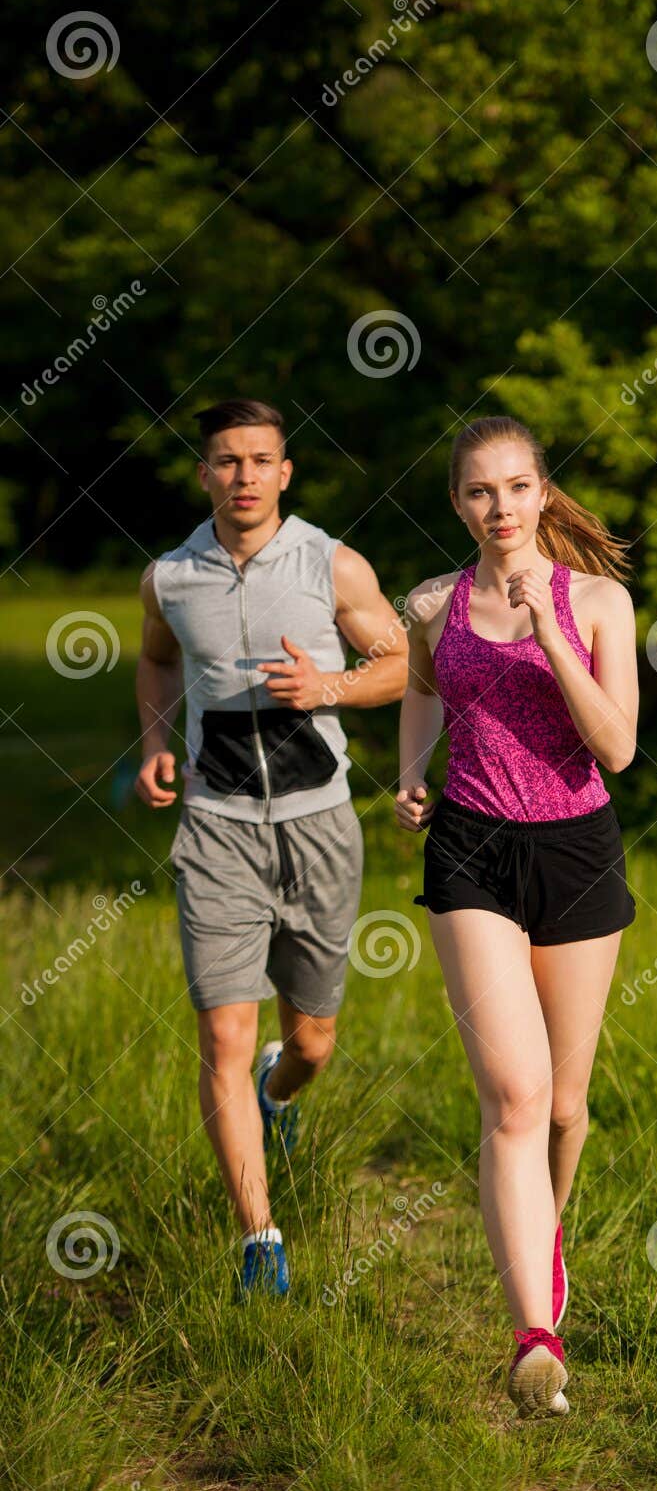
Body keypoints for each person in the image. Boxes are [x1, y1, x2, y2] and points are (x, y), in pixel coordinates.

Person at [136, 398, 408, 1298]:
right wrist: (154, 741)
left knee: (314, 1041)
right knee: (221, 1031)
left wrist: (326, 683)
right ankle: (260, 1240)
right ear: (204, 473)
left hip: (318, 822)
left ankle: (279, 1093)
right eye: (226, 461)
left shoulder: (331, 564)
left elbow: (404, 663)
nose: (244, 476)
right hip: (215, 829)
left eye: (261, 460)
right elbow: (157, 660)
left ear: (285, 472)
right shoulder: (170, 579)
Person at [395, 415, 638, 1416]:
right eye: (479, 492)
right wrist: (411, 766)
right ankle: (534, 1335)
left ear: (542, 494)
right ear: (457, 503)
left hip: (576, 854)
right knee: (511, 1093)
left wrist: (547, 631)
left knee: (564, 1106)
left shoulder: (598, 601)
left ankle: (544, 1241)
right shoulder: (428, 604)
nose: (499, 508)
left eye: (517, 488)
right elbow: (421, 687)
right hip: (469, 851)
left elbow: (616, 746)